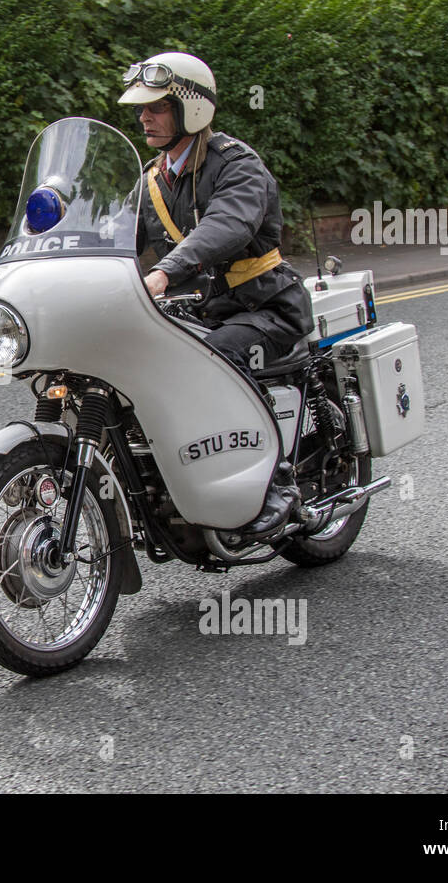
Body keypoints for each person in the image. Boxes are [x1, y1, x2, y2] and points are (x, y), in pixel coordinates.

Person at [119, 51, 312, 536]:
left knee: (219, 361)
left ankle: (276, 485)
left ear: (191, 109)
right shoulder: (152, 180)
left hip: (263, 307)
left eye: (158, 106)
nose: (144, 115)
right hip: (197, 315)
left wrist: (164, 272)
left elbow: (228, 224)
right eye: (142, 107)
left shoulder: (237, 166)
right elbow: (113, 235)